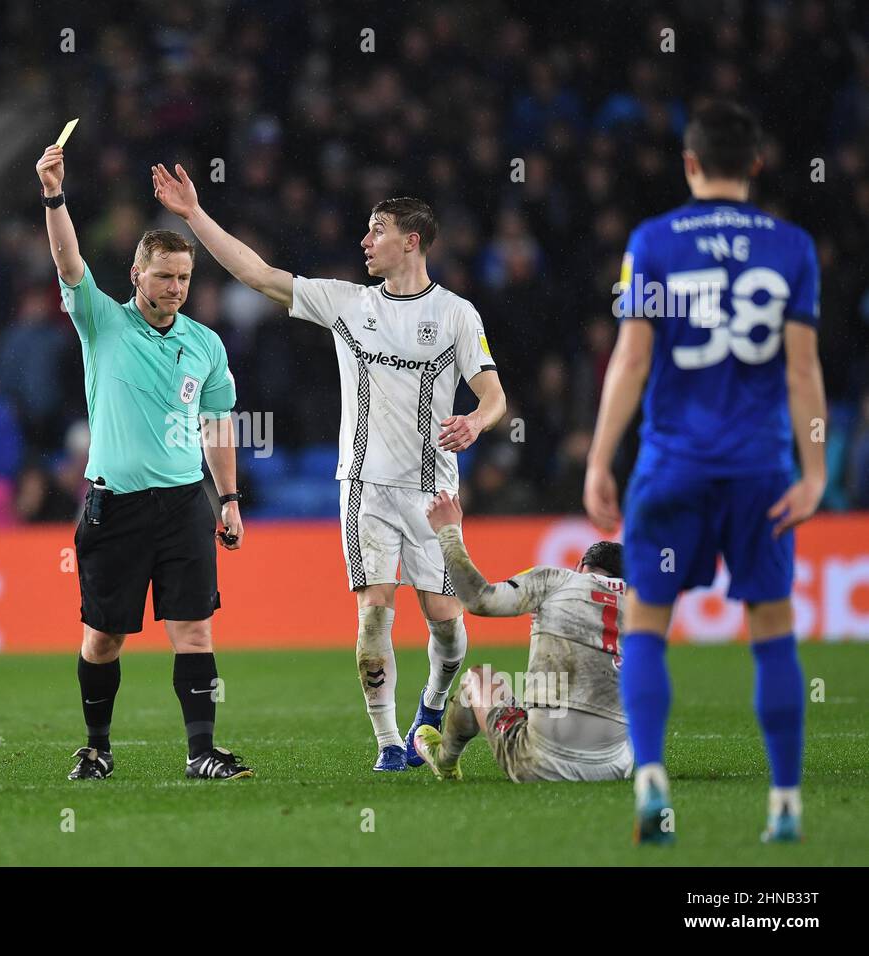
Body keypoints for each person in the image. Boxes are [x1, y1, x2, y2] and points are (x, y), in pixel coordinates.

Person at [152, 165, 506, 771]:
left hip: (432, 489)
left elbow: (494, 393)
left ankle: (432, 700)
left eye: (377, 232)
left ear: (411, 241)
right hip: (364, 487)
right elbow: (257, 274)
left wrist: (476, 421)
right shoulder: (348, 304)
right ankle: (389, 744)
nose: (365, 242)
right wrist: (193, 216)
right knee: (373, 616)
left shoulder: (456, 315)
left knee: (446, 626)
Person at [584, 101, 825, 844]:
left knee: (650, 625)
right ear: (754, 164)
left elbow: (631, 356)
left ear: (690, 164)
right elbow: (803, 368)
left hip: (671, 468)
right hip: (759, 471)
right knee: (773, 630)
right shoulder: (792, 247)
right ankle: (784, 803)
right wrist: (815, 472)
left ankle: (651, 781)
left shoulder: (653, 241)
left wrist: (599, 458)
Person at [37, 142, 253, 781]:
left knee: (194, 633)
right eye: (164, 276)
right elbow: (68, 260)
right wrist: (55, 194)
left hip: (186, 504)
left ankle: (201, 753)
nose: (176, 288)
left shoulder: (206, 345)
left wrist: (231, 501)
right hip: (115, 506)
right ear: (137, 275)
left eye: (185, 278)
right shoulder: (101, 322)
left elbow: (218, 426)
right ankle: (97, 749)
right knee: (102, 638)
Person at [414, 491, 631, 783]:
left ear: (580, 568)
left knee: (478, 679)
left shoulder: (559, 580)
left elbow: (479, 600)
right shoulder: (641, 604)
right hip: (616, 766)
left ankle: (444, 761)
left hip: (540, 762)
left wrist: (448, 531)